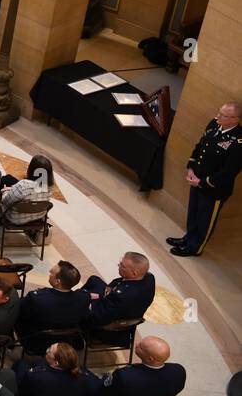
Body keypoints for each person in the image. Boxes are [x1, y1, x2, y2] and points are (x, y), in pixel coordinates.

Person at [169, 101, 241, 255]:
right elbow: (200, 147)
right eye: (219, 112)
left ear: (235, 119)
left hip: (214, 188)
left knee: (205, 220)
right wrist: (191, 167)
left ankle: (195, 248)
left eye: (223, 115)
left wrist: (201, 182)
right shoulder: (214, 124)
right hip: (196, 179)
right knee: (193, 213)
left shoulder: (238, 142)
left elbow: (228, 172)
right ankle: (187, 239)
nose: (217, 116)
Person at [16, 260, 89, 356]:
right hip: (66, 341)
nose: (49, 273)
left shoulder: (37, 299)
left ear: (57, 281)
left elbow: (21, 312)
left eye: (52, 273)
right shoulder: (83, 298)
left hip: (35, 342)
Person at [83, 251, 156, 347]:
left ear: (134, 273)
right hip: (115, 304)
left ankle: (75, 336)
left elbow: (98, 318)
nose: (118, 265)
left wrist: (85, 303)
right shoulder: (149, 277)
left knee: (77, 306)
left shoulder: (122, 297)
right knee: (94, 280)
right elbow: (117, 284)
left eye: (122, 266)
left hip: (109, 323)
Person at [13, 342, 103, 396]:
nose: (47, 350)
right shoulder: (86, 377)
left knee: (21, 364)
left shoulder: (36, 376)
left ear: (56, 363)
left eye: (49, 351)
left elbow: (22, 390)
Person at [0, 154, 55, 226]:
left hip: (15, 218)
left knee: (4, 180)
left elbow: (6, 201)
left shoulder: (23, 185)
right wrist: (13, 189)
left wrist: (6, 191)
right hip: (37, 217)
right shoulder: (50, 188)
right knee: (9, 178)